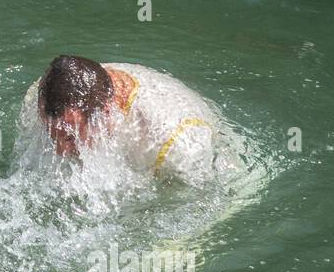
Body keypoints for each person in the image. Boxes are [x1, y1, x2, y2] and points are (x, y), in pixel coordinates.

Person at [26, 55, 234, 185]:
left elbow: (213, 197)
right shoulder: (39, 96)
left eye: (70, 138)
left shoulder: (175, 142)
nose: (58, 150)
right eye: (50, 133)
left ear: (106, 113)